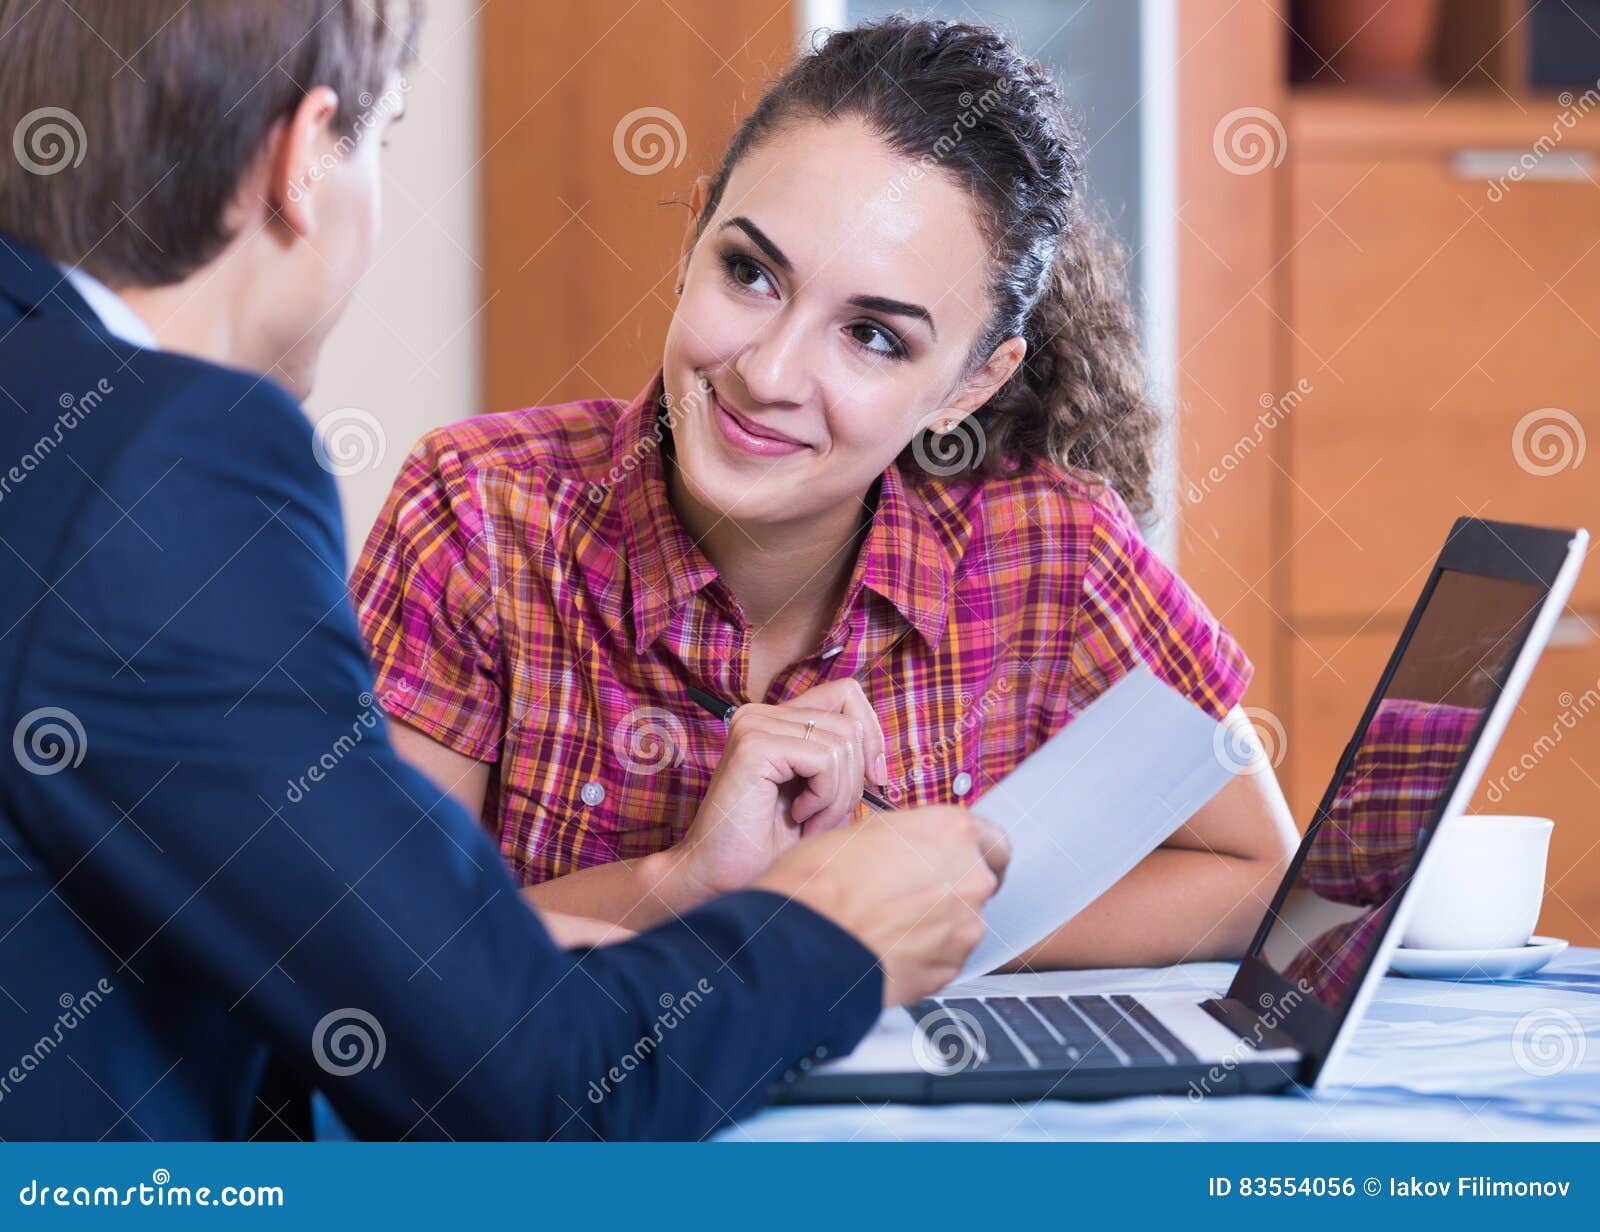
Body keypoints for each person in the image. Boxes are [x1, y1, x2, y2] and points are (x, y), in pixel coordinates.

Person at [0, 0, 1007, 1141]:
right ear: (302, 156)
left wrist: (618, 925)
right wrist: (830, 926)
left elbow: (359, 974)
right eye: (382, 140)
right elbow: (524, 1090)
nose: (775, 372)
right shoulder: (164, 464)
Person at [354, 17, 1298, 963]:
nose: (769, 372)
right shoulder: (478, 509)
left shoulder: (1056, 547)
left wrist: (899, 917)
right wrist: (698, 889)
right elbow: (368, 937)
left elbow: (1263, 876)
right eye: (751, 273)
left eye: (874, 336)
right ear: (692, 240)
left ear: (972, 384)